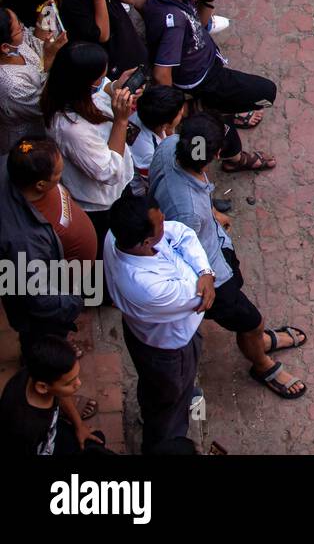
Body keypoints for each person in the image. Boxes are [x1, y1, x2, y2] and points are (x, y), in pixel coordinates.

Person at [151, 112, 308, 398]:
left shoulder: (168, 146)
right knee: (250, 320)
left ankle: (256, 341)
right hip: (211, 275)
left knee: (244, 312)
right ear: (217, 155)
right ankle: (261, 363)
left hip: (215, 246)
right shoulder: (187, 211)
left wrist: (210, 213)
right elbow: (181, 250)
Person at [102, 189, 213, 454]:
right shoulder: (147, 287)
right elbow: (199, 293)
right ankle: (162, 444)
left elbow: (183, 233)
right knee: (169, 403)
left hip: (146, 336)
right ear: (145, 241)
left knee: (156, 390)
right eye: (160, 222)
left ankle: (155, 410)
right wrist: (203, 273)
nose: (166, 221)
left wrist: (204, 271)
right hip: (168, 350)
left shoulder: (117, 234)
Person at [140, 0, 278, 172]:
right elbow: (161, 73)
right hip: (201, 79)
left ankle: (217, 111)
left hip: (208, 63)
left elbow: (201, 24)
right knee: (266, 93)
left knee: (224, 111)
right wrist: (177, 107)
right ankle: (233, 155)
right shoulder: (173, 23)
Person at [0, 139, 94, 366]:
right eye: (59, 174)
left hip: (61, 276)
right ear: (40, 185)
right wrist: (73, 302)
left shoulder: (12, 163)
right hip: (50, 299)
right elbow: (40, 299)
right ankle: (38, 364)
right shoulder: (23, 241)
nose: (62, 176)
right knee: (43, 339)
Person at [41, 41, 139, 244]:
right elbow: (110, 172)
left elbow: (99, 93)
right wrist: (121, 121)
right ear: (83, 83)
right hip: (102, 205)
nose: (103, 81)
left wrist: (114, 87)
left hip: (117, 192)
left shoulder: (66, 90)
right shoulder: (72, 129)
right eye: (100, 78)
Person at [0, 334, 106, 454]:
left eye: (77, 376)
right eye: (69, 383)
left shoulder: (37, 372)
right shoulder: (25, 427)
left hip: (52, 433)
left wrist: (79, 425)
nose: (79, 383)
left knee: (97, 440)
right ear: (42, 387)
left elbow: (60, 396)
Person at [0, 6, 59, 152]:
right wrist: (50, 59)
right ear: (5, 47)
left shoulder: (14, 46)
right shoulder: (11, 84)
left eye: (19, 21)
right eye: (18, 28)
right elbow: (44, 104)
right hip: (27, 144)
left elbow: (34, 42)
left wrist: (46, 15)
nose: (23, 27)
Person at [128, 83, 186, 178]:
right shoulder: (153, 155)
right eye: (179, 113)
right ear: (164, 125)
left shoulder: (137, 111)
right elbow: (154, 183)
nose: (182, 113)